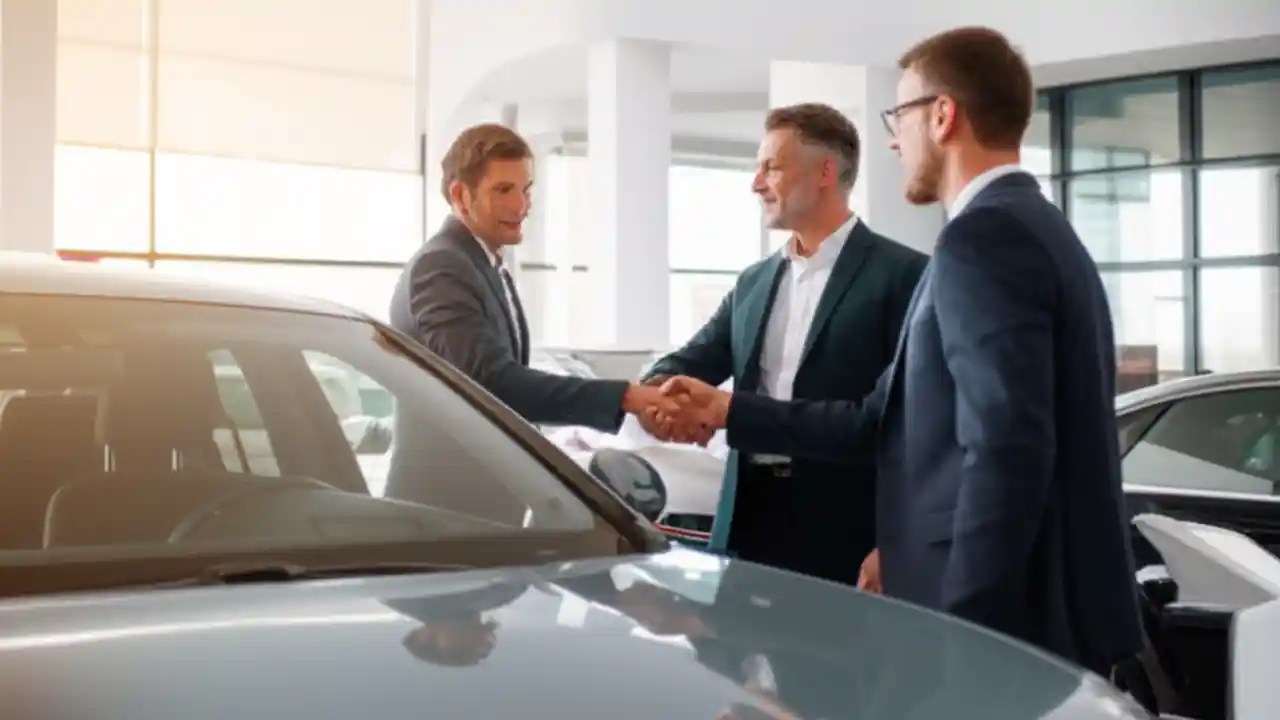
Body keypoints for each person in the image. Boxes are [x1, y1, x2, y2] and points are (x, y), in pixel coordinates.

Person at [654, 27, 1143, 676]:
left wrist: (962, 632)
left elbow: (1007, 450)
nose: (892, 139)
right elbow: (874, 420)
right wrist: (725, 409)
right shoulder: (1030, 227)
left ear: (943, 116)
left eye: (901, 115)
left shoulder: (985, 238)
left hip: (1005, 623)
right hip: (1037, 611)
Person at [640, 103, 927, 586]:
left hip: (848, 530)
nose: (756, 183)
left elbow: (910, 429)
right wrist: (652, 396)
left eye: (771, 166)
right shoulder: (754, 281)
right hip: (748, 520)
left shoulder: (905, 277)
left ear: (825, 172)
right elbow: (691, 360)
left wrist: (894, 541)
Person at [389, 123, 678, 432]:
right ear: (460, 195)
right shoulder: (441, 266)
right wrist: (627, 397)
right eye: (503, 190)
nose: (521, 206)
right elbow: (490, 383)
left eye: (525, 190)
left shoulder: (483, 263)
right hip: (449, 474)